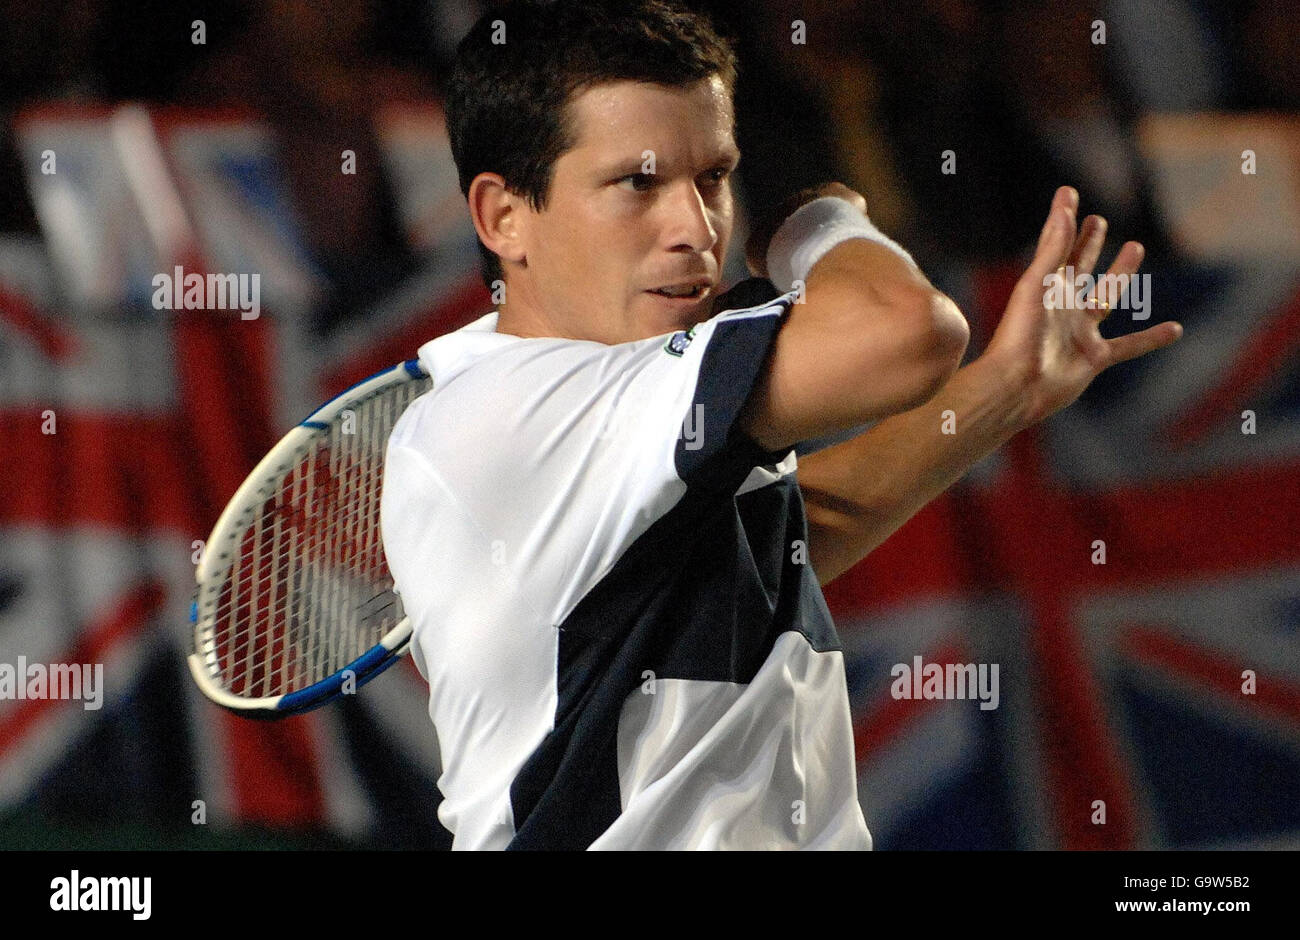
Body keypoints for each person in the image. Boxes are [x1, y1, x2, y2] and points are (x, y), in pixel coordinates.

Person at [379, 0, 1182, 850]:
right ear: (503, 216)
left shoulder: (587, 406)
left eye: (714, 178)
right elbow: (909, 329)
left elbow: (779, 541)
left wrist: (1008, 387)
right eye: (638, 184)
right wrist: (817, 220)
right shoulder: (514, 410)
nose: (696, 229)